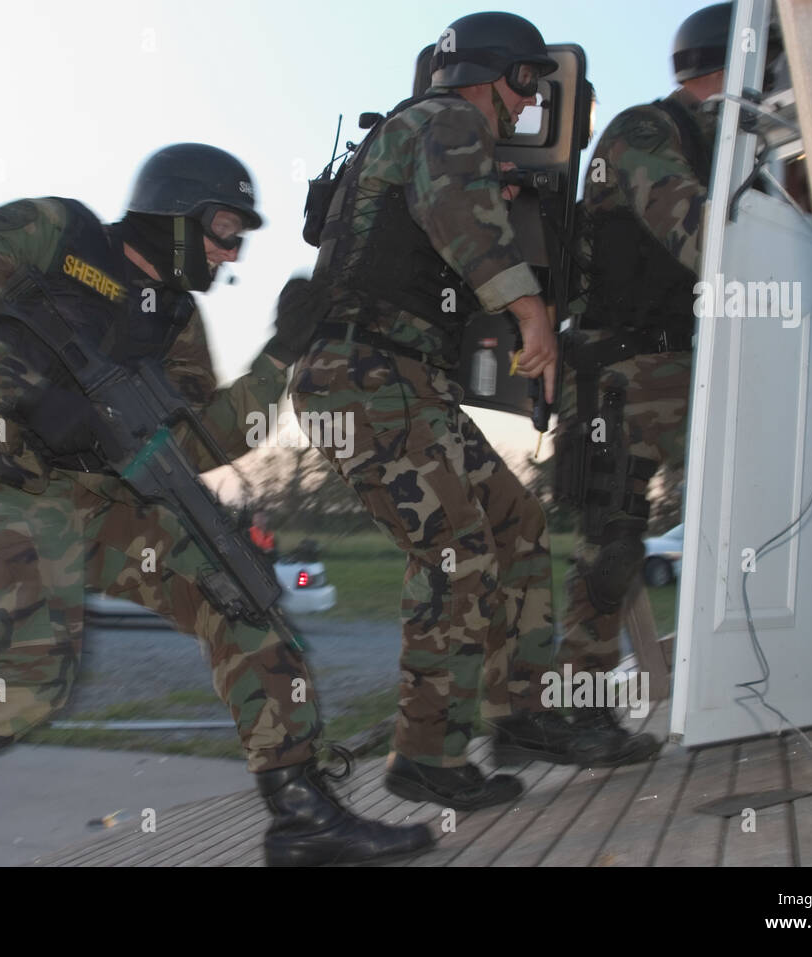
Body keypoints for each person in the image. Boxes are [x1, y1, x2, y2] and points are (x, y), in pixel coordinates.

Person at [0, 143, 432, 868]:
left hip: (98, 498)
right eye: (223, 229)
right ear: (173, 215)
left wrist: (281, 356)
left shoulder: (175, 321)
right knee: (27, 683)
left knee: (242, 597)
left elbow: (195, 443)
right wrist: (28, 393)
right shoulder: (53, 233)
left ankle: (301, 812)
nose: (231, 251)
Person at [291, 12, 656, 812]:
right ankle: (426, 756)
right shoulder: (448, 121)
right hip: (364, 375)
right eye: (528, 87)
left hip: (389, 376)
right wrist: (533, 317)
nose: (528, 106)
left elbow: (443, 213)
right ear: (503, 75)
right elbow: (463, 221)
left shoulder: (421, 132)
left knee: (517, 521)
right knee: (455, 554)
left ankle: (521, 715)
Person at [550, 4, 730, 702]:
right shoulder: (644, 131)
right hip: (620, 372)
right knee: (613, 542)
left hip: (686, 364)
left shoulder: (723, 144)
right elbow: (702, 234)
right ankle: (580, 704)